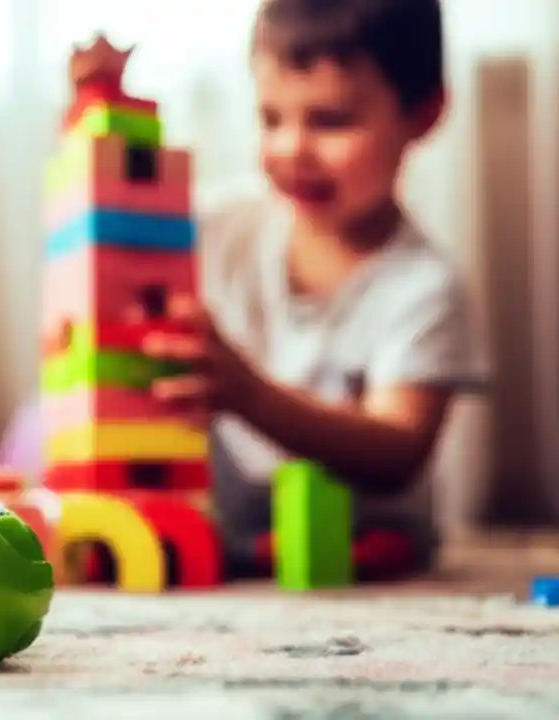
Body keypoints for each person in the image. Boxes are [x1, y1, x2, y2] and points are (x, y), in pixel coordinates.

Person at [144, 0, 484, 580]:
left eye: (330, 121)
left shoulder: (424, 286)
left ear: (423, 114)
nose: (291, 150)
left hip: (366, 541)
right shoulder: (218, 229)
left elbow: (400, 450)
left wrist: (248, 393)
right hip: (226, 531)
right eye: (272, 119)